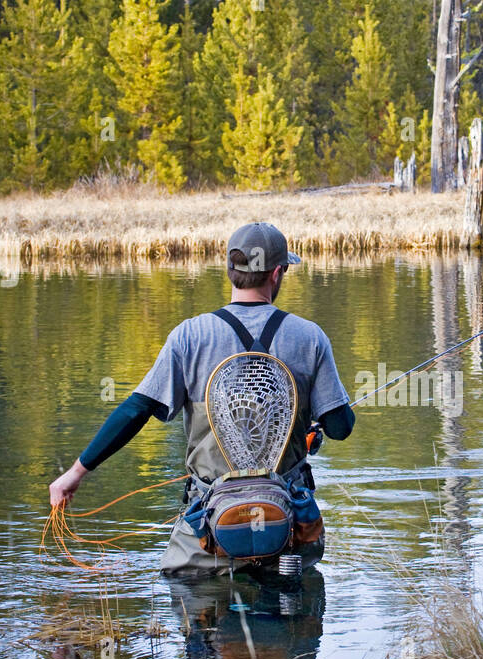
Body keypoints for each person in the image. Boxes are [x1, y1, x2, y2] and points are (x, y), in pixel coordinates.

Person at [49, 222, 355, 576]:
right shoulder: (309, 337)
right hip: (288, 533)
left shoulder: (189, 336)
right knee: (292, 606)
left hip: (207, 532)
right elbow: (340, 428)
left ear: (229, 270)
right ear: (276, 272)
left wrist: (75, 474)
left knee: (193, 599)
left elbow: (136, 410)